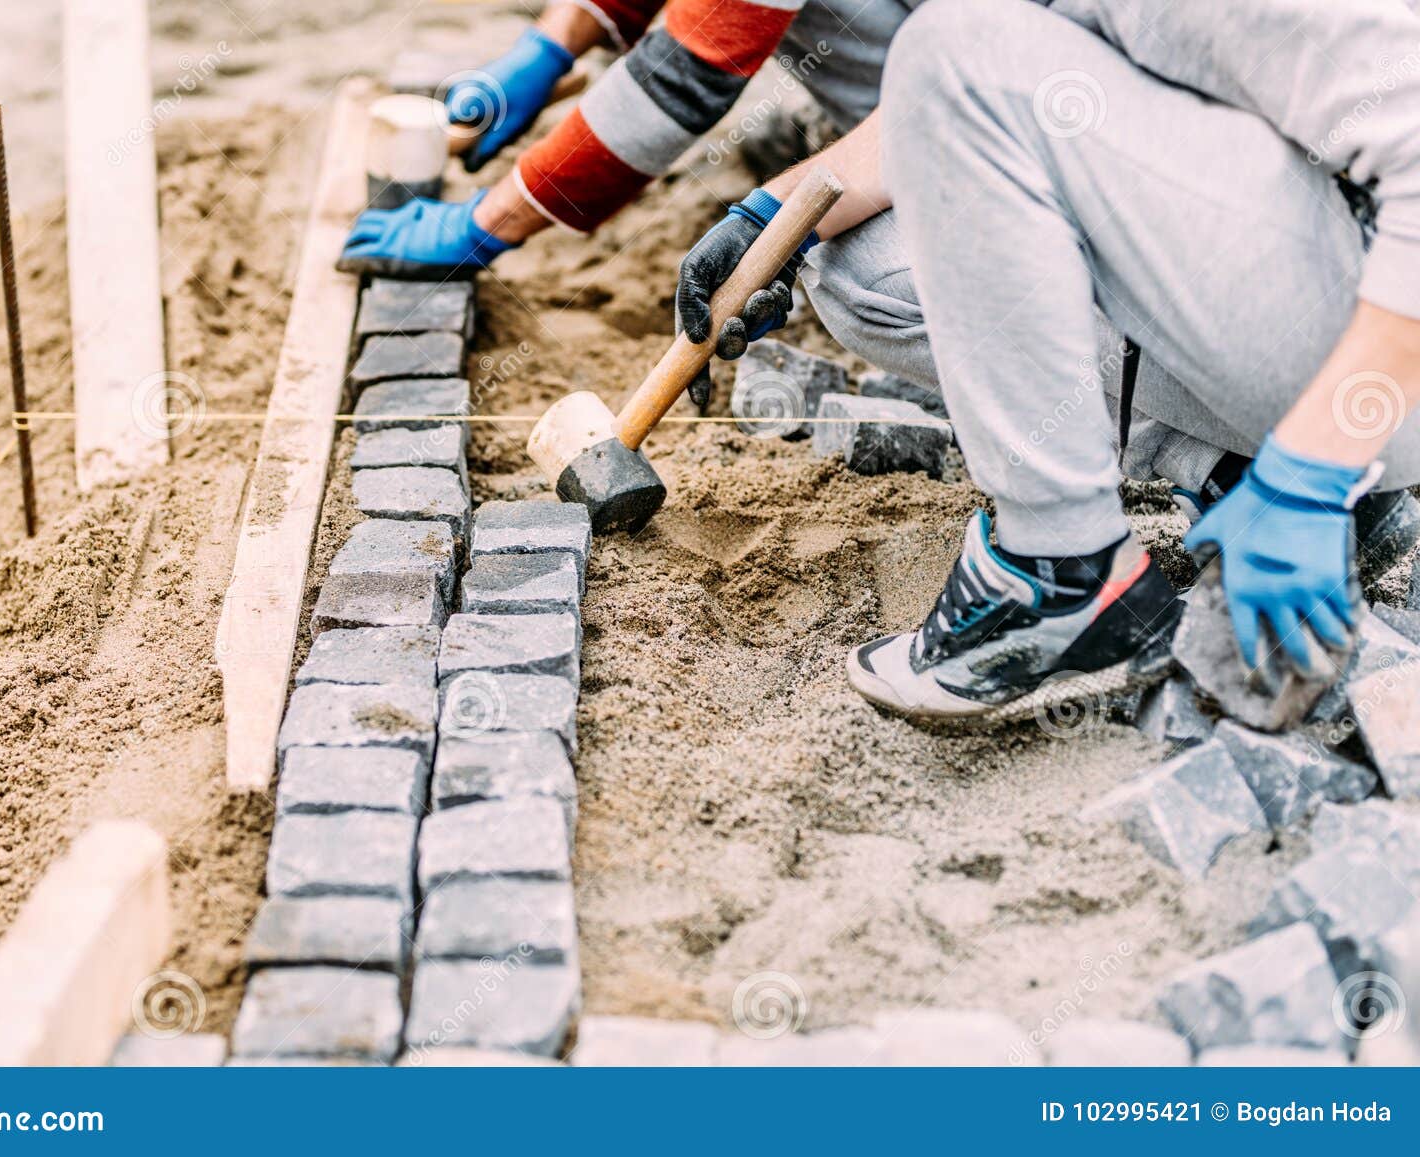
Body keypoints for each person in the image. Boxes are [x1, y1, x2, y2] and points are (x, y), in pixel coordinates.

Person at [671, 0, 1420, 725]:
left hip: (1382, 371)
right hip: (1317, 313)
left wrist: (1312, 470)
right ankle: (1226, 464)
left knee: (954, 46)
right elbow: (970, 94)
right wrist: (774, 214)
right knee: (860, 267)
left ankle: (1063, 572)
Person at [338, 0, 913, 281]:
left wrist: (492, 222)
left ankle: (893, 132)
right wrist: (548, 48)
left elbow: (687, 78)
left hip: (983, 86)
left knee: (859, 282)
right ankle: (875, 117)